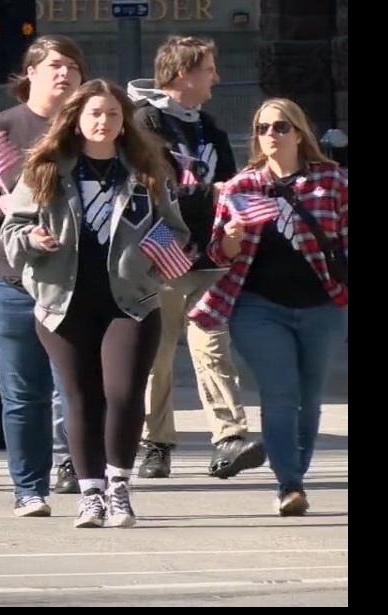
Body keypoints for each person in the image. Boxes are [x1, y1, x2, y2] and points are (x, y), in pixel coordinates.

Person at [0, 79, 188, 528]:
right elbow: (12, 227)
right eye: (95, 114)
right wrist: (31, 237)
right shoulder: (46, 167)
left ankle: (119, 487)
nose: (104, 122)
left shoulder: (146, 169)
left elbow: (177, 230)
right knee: (80, 397)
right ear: (76, 120)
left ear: (125, 122)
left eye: (113, 115)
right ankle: (91, 494)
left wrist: (151, 254)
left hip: (132, 299)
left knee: (123, 394)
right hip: (63, 301)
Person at [0, 35, 87, 513]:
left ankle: (80, 469)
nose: (65, 74)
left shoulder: (90, 130)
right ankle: (29, 488)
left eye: (72, 66)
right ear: (29, 73)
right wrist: (2, 205)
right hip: (7, 281)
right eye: (55, 66)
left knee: (77, 385)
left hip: (75, 282)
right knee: (23, 389)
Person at [191, 98, 348, 516]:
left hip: (322, 304)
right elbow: (218, 253)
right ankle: (289, 484)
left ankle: (295, 471)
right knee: (280, 394)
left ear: (299, 133)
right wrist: (230, 236)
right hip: (258, 307)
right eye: (263, 128)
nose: (271, 136)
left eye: (281, 127)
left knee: (310, 398)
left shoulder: (331, 181)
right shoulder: (243, 186)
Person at [128, 35, 263, 480]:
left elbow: (226, 181)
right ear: (183, 73)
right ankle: (156, 444)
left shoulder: (208, 125)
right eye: (208, 69)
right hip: (163, 250)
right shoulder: (144, 122)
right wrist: (212, 192)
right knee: (159, 355)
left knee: (212, 345)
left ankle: (228, 438)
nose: (216, 78)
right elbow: (151, 187)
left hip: (207, 254)